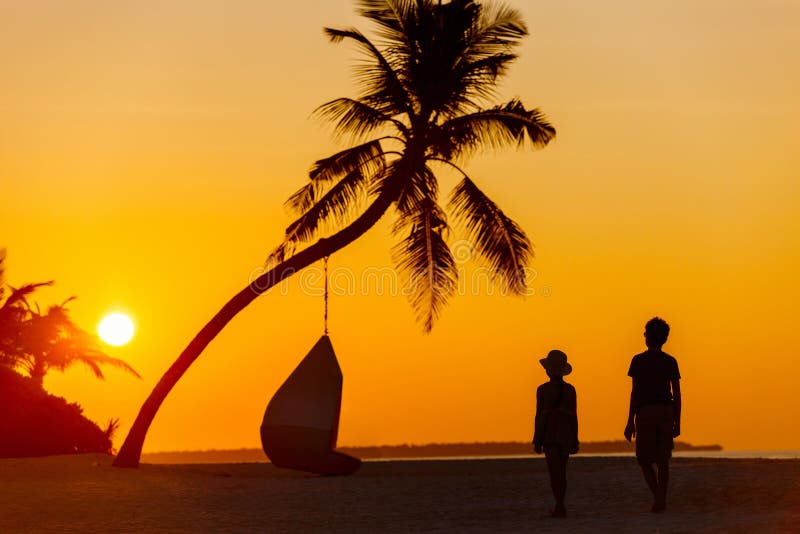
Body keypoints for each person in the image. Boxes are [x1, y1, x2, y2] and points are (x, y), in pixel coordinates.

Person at [624, 317, 682, 513]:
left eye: (645, 332)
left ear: (648, 336)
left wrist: (629, 421)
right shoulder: (670, 361)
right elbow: (677, 394)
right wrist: (678, 420)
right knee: (662, 459)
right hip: (666, 411)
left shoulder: (638, 360)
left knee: (644, 460)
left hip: (646, 411)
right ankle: (660, 498)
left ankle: (658, 498)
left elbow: (635, 392)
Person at [533, 349, 579, 518]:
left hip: (550, 435)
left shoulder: (542, 390)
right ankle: (561, 504)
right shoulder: (570, 390)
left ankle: (559, 505)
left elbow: (539, 416)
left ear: (548, 369)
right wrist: (575, 438)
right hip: (566, 435)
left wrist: (537, 439)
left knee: (555, 473)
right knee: (562, 472)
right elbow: (574, 416)